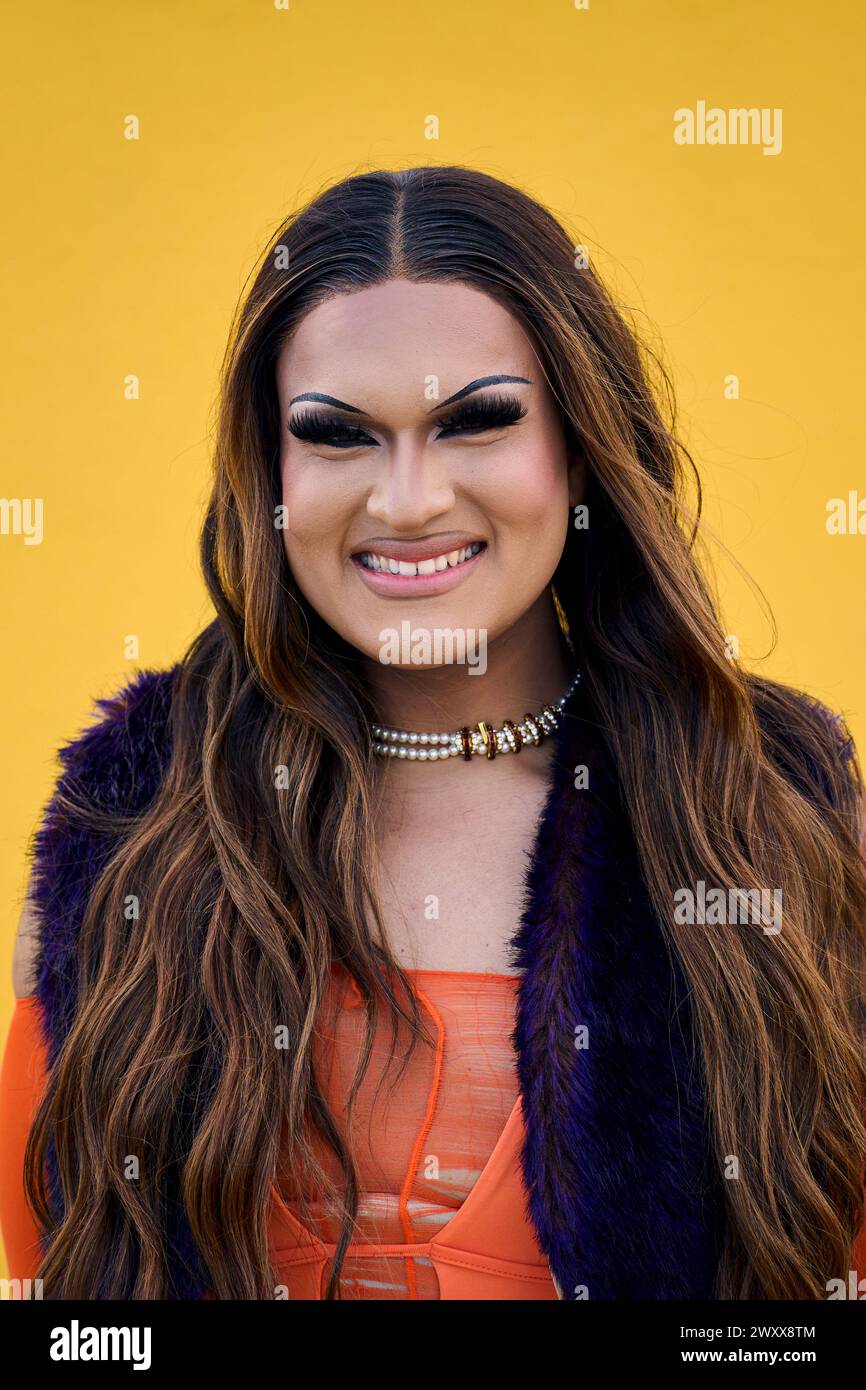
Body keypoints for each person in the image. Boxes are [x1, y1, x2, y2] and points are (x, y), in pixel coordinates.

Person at [2, 165, 865, 1300]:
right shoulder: (129, 819)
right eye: (338, 435)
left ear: (579, 446)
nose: (408, 501)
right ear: (270, 470)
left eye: (477, 422)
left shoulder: (771, 817)